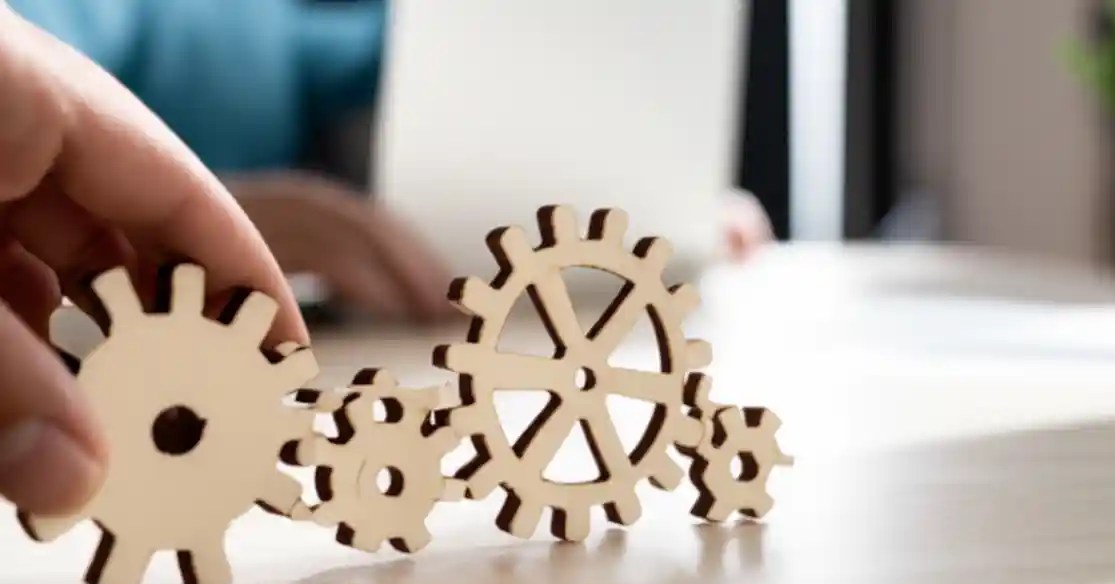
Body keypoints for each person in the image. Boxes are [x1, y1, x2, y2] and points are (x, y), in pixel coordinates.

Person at [0, 2, 773, 515]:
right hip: (120, 340)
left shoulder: (266, 25)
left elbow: (424, 60)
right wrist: (238, 201)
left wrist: (656, 185)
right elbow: (33, 70)